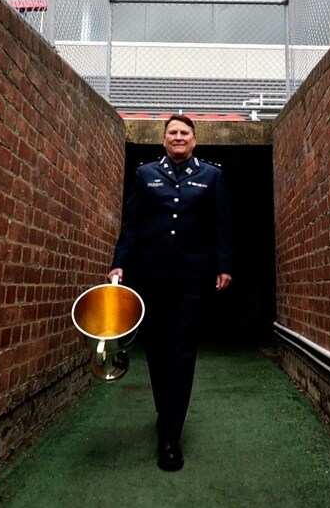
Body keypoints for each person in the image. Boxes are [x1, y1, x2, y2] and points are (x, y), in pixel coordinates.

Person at [108, 114, 233, 472]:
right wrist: (120, 263)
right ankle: (167, 411)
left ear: (195, 140)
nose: (178, 137)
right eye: (172, 133)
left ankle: (169, 437)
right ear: (163, 140)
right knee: (157, 351)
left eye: (184, 133)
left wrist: (224, 265)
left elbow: (221, 226)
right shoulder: (145, 174)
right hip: (150, 278)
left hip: (191, 280)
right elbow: (131, 224)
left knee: (181, 351)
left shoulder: (212, 176)